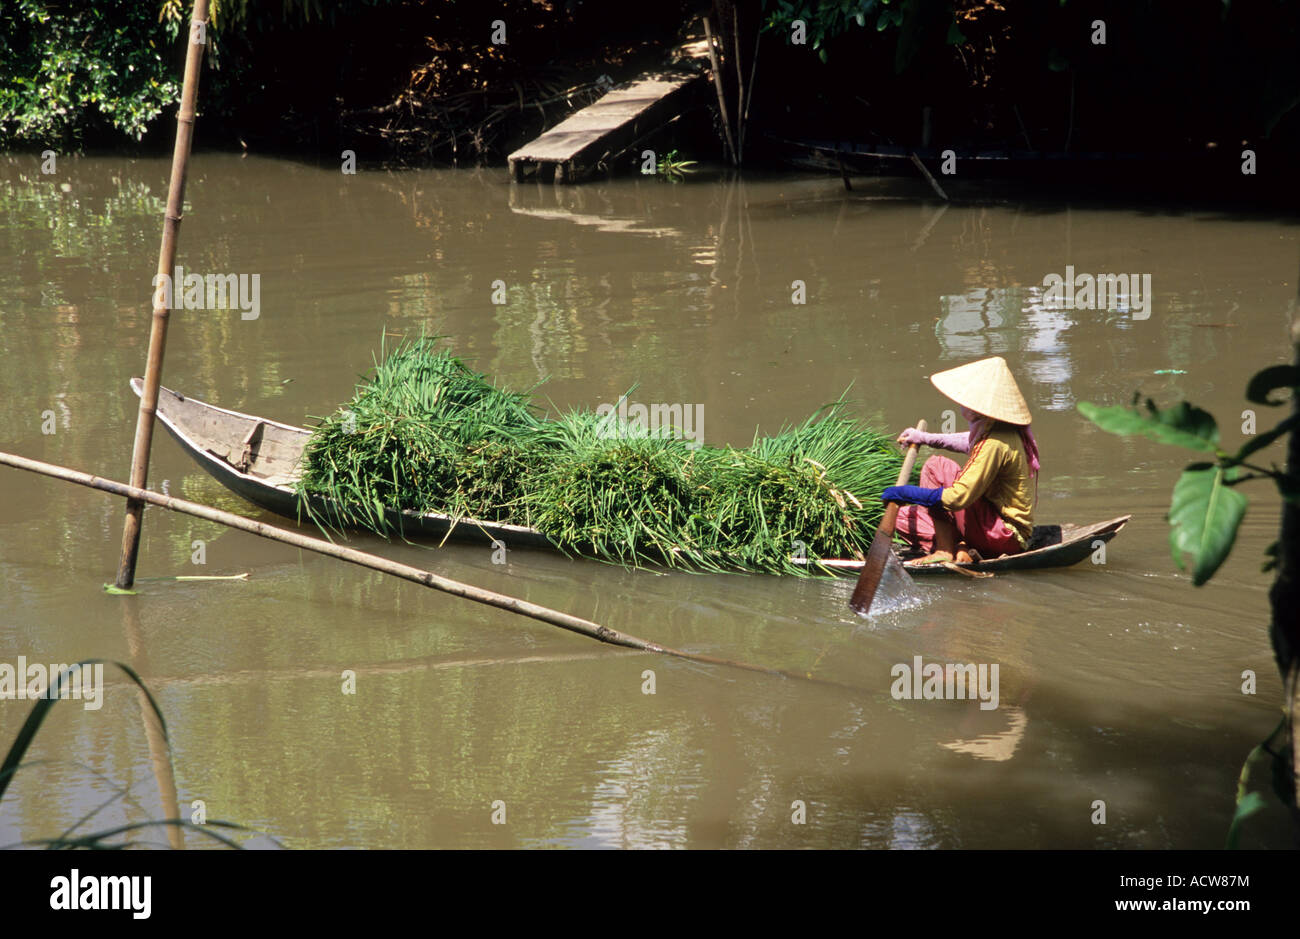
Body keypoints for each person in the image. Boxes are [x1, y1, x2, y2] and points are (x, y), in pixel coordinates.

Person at [881, 356, 1040, 565]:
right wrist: (925, 438)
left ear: (977, 408)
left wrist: (906, 493)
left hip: (1004, 535)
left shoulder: (993, 443)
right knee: (904, 519)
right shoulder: (1001, 429)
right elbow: (968, 441)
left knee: (935, 466)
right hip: (991, 524)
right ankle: (962, 546)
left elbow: (957, 499)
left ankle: (945, 550)